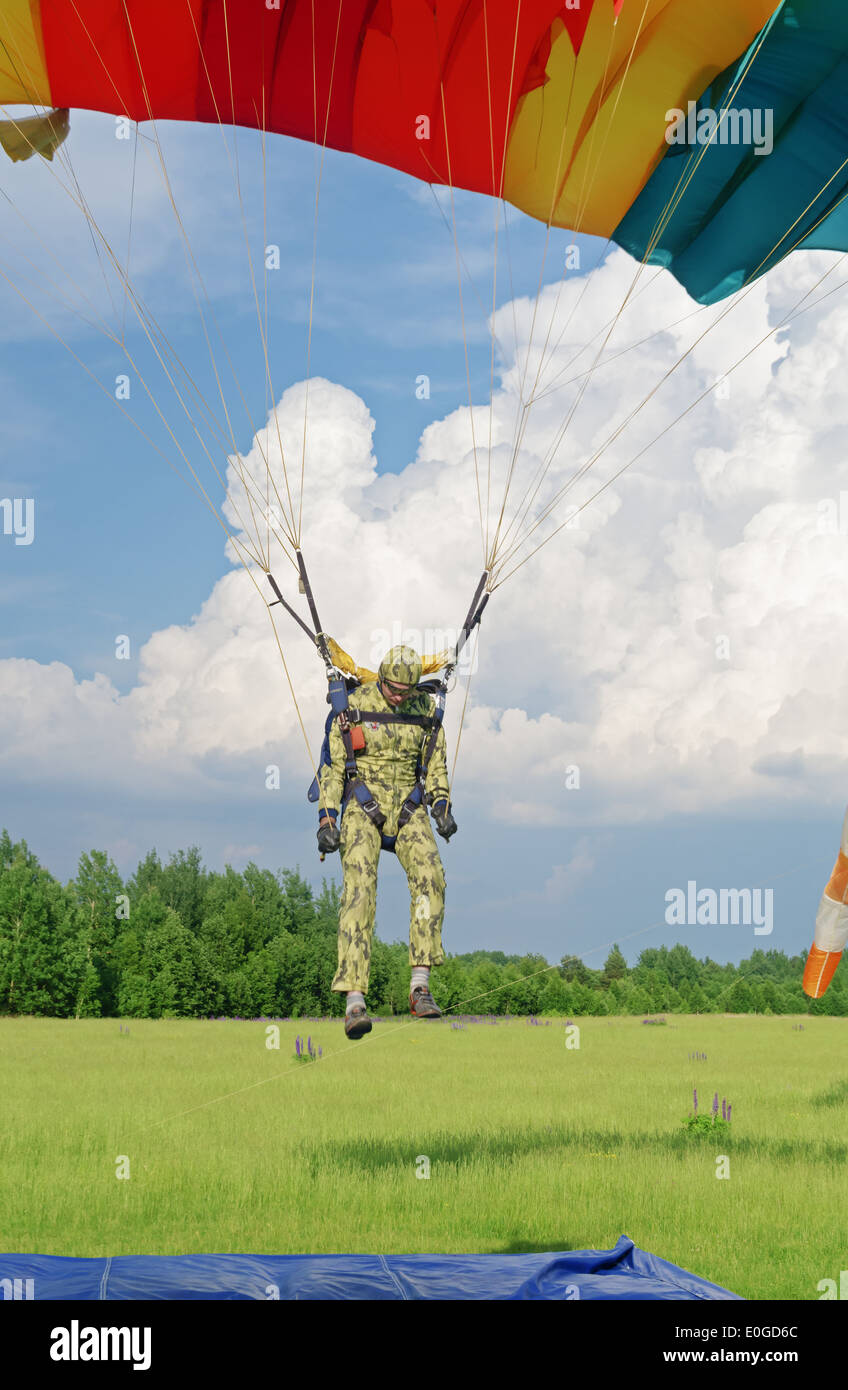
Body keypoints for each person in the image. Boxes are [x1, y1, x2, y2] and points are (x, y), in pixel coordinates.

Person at [316, 644, 457, 1039]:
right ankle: (355, 1001)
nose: (398, 697)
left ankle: (419, 986)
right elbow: (331, 769)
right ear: (382, 677)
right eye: (394, 689)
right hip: (364, 802)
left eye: (406, 691)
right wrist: (327, 818)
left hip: (409, 806)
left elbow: (436, 764)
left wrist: (442, 805)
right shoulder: (353, 707)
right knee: (359, 891)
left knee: (432, 878)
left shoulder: (426, 712)